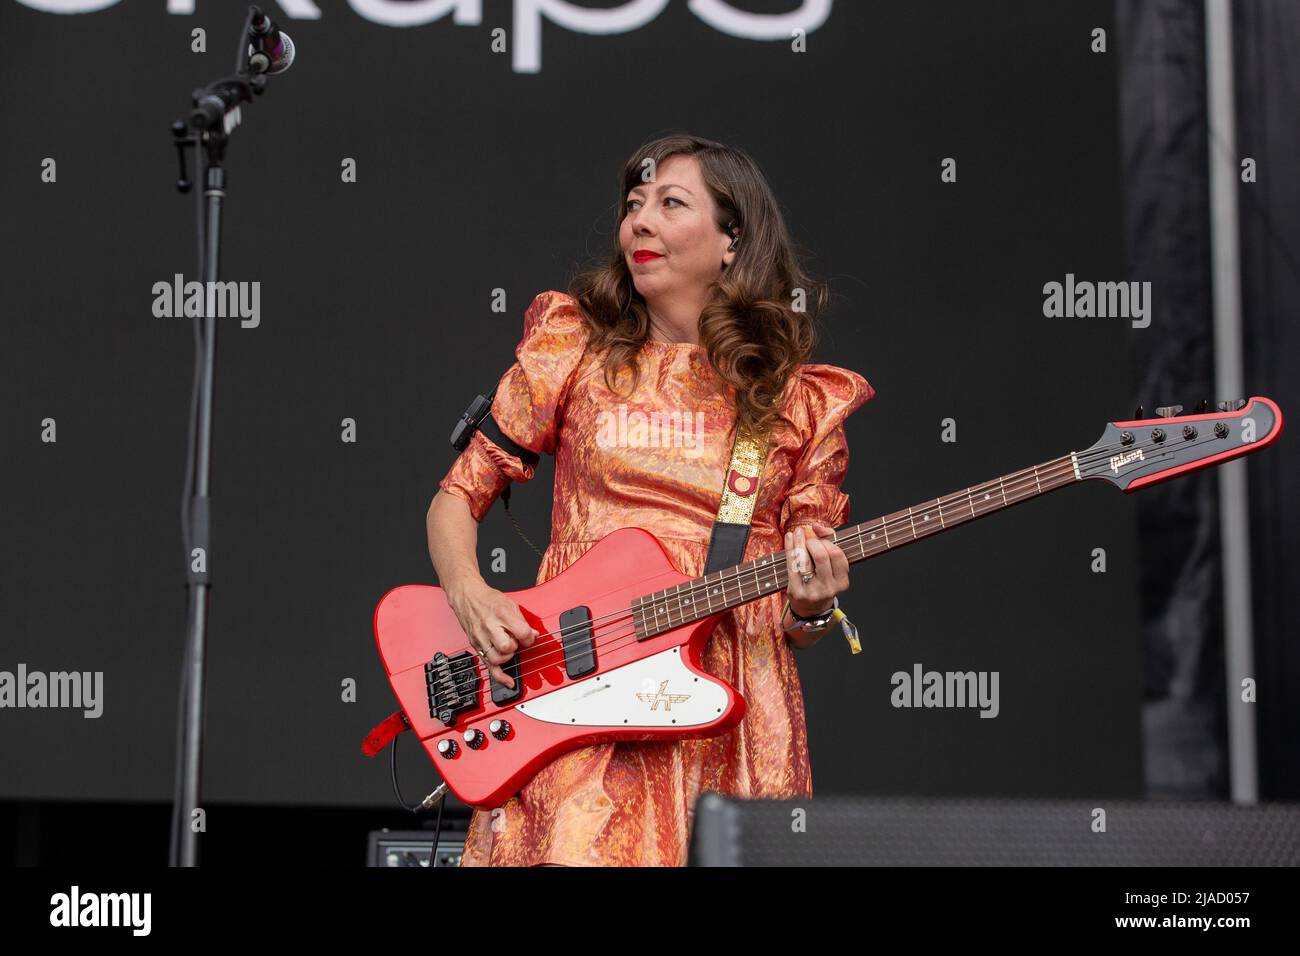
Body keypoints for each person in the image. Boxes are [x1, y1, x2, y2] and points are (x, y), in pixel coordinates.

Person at [427, 133, 874, 866]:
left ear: (733, 240)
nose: (640, 222)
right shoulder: (574, 349)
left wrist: (814, 606)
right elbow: (454, 498)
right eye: (634, 205)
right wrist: (470, 594)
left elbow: (806, 617)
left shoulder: (793, 398)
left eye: (671, 203)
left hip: (730, 701)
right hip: (578, 684)